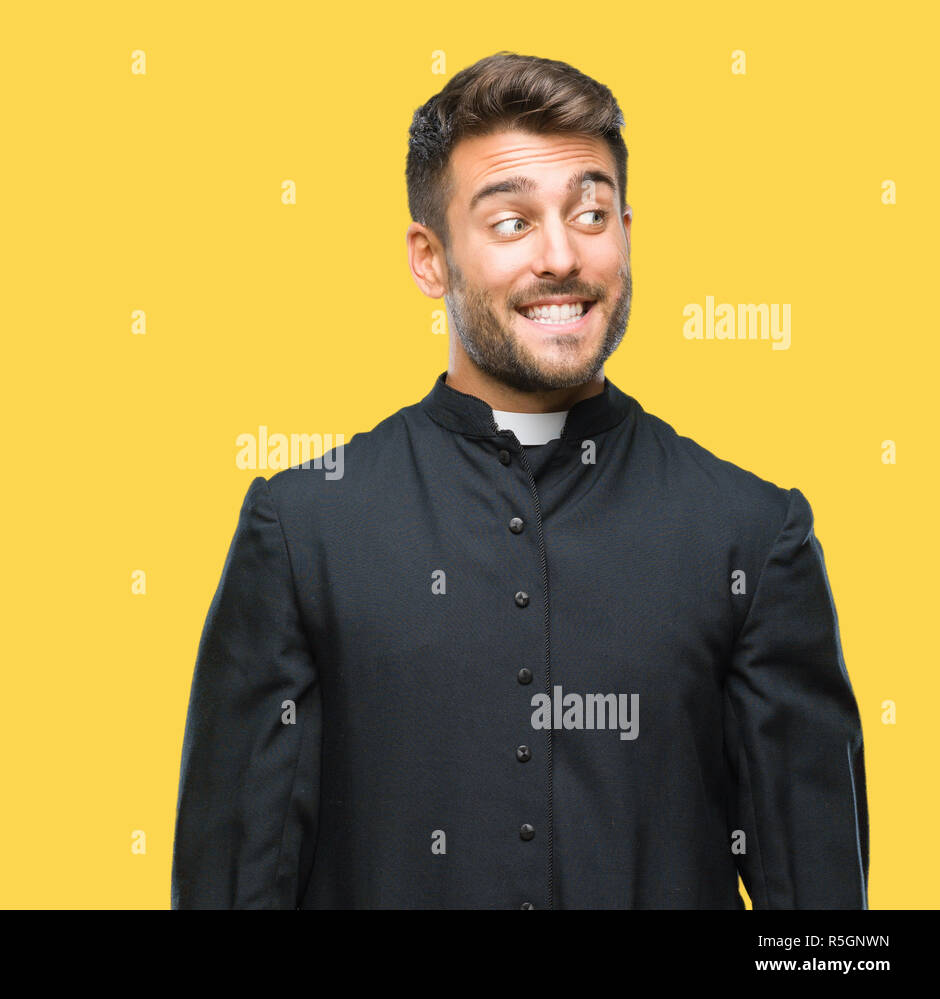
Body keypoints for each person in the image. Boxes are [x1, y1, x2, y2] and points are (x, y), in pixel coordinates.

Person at [170, 50, 868, 909]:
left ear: (626, 232)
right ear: (430, 260)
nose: (561, 255)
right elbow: (230, 886)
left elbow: (826, 930)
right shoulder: (303, 529)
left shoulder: (754, 536)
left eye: (591, 212)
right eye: (511, 222)